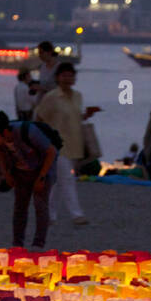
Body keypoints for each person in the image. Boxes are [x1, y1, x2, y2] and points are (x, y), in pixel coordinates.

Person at [0, 111, 57, 248]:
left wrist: (42, 177)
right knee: (20, 208)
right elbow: (1, 155)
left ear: (3, 131)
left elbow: (51, 152)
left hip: (41, 170)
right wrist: (7, 175)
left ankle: (38, 244)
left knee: (40, 206)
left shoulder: (28, 132)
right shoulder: (1, 141)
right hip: (20, 172)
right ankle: (17, 244)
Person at [34, 61, 95, 226]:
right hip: (56, 145)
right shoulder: (52, 97)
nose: (68, 78)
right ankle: (77, 214)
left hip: (74, 143)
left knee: (58, 182)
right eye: (64, 75)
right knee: (67, 179)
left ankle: (50, 215)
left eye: (71, 75)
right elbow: (39, 117)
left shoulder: (78, 96)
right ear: (57, 78)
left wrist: (86, 115)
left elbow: (74, 117)